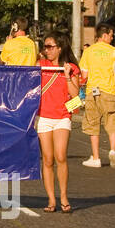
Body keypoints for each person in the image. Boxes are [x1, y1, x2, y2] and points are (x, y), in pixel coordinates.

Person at [37, 35, 81, 212]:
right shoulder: (40, 65)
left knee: (60, 156)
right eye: (45, 47)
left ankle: (63, 196)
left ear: (59, 48)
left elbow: (76, 97)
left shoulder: (71, 68)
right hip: (43, 116)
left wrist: (68, 75)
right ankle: (51, 200)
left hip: (62, 116)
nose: (47, 50)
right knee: (47, 159)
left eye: (50, 46)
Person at [79, 23, 115, 168]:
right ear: (104, 35)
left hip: (93, 91)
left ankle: (96, 157)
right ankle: (112, 150)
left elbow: (84, 74)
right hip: (109, 90)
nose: (112, 38)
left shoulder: (88, 51)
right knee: (112, 122)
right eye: (111, 35)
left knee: (93, 124)